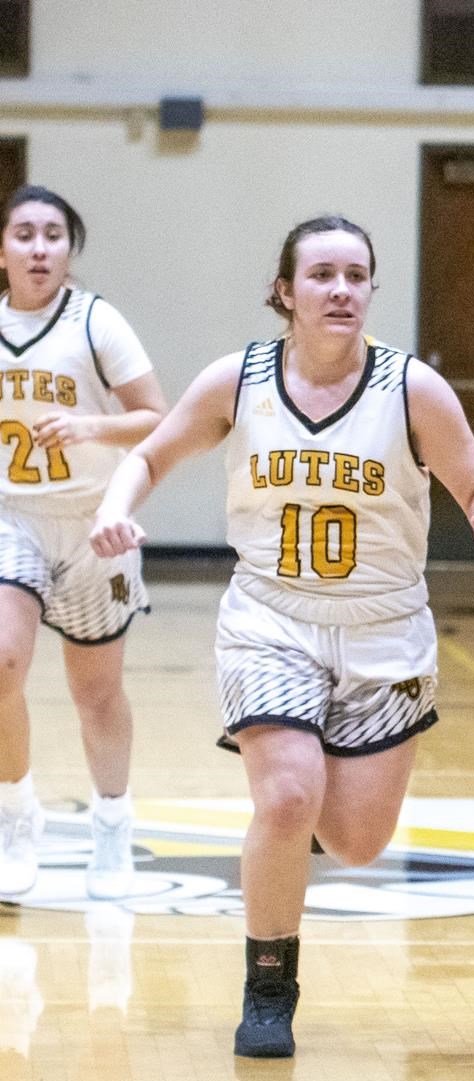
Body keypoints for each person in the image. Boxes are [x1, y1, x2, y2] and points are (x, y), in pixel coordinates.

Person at [89, 215, 474, 1058]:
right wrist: (114, 508)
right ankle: (267, 987)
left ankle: (299, 829)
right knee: (287, 796)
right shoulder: (239, 380)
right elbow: (150, 454)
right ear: (285, 291)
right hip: (271, 619)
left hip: (385, 627)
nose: (342, 290)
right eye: (322, 274)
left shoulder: (412, 388)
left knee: (358, 842)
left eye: (357, 276)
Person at [0, 185, 167, 900]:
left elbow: (159, 416)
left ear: (71, 251)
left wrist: (91, 428)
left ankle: (111, 822)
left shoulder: (98, 321)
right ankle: (16, 814)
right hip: (15, 516)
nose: (40, 248)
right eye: (26, 234)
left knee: (94, 692)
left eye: (55, 236)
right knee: (3, 660)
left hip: (98, 521)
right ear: (3, 248)